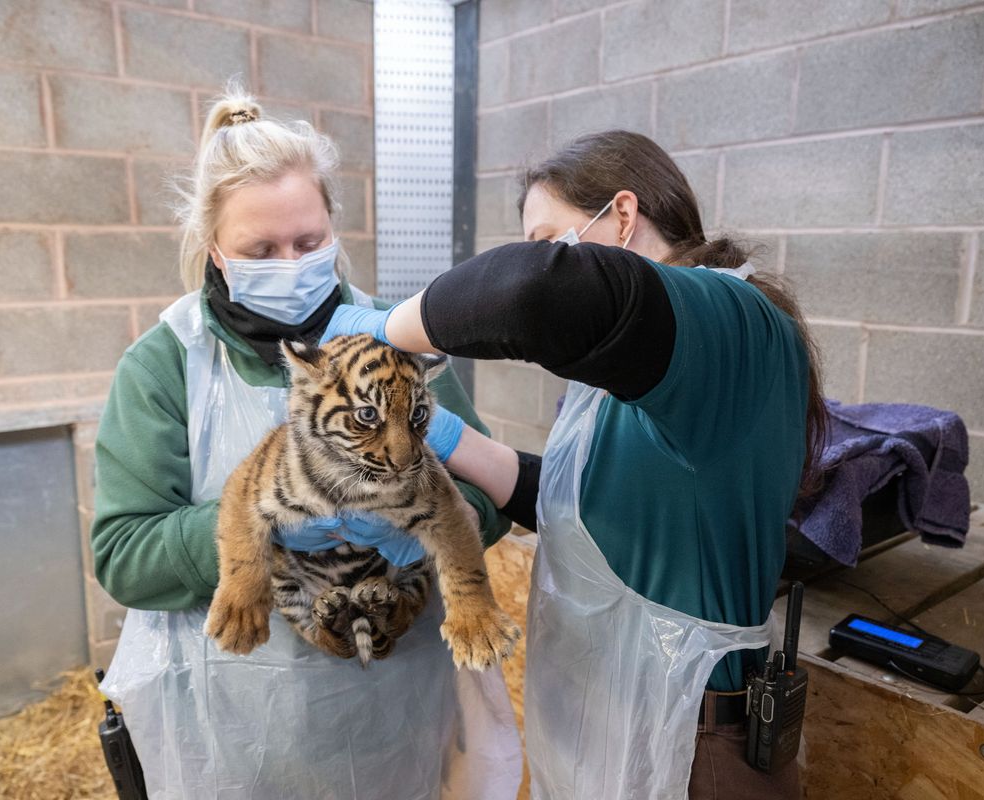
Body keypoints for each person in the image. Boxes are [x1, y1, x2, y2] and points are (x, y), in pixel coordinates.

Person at [322, 130, 826, 800]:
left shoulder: (732, 321)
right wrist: (443, 436)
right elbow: (582, 505)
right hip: (627, 731)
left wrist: (378, 329)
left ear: (622, 216)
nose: (543, 257)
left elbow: (534, 294)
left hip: (694, 752)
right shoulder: (631, 381)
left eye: (549, 237)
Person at [91, 86, 530, 799]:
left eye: (308, 241)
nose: (291, 262)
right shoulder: (167, 361)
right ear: (217, 253)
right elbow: (123, 554)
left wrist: (412, 521)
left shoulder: (398, 336)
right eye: (261, 249)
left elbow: (486, 499)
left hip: (396, 718)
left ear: (334, 229)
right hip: (233, 731)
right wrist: (272, 526)